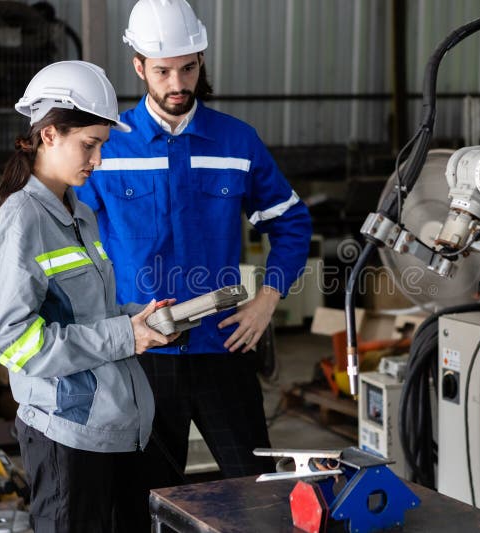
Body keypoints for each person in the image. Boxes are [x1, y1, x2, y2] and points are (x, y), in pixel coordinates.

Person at [75, 0, 312, 487]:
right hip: (140, 356)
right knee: (149, 499)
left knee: (255, 491)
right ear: (139, 66)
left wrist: (268, 301)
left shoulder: (236, 142)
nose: (178, 85)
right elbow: (72, 242)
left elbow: (291, 221)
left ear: (201, 59)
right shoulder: (108, 148)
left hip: (222, 344)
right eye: (163, 71)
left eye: (188, 68)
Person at [0, 60, 178, 532]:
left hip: (111, 430)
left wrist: (139, 320)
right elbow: (11, 341)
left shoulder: (80, 212)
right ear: (49, 135)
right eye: (89, 146)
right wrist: (122, 337)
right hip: (64, 435)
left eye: (101, 146)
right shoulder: (22, 220)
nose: (98, 161)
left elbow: (91, 313)